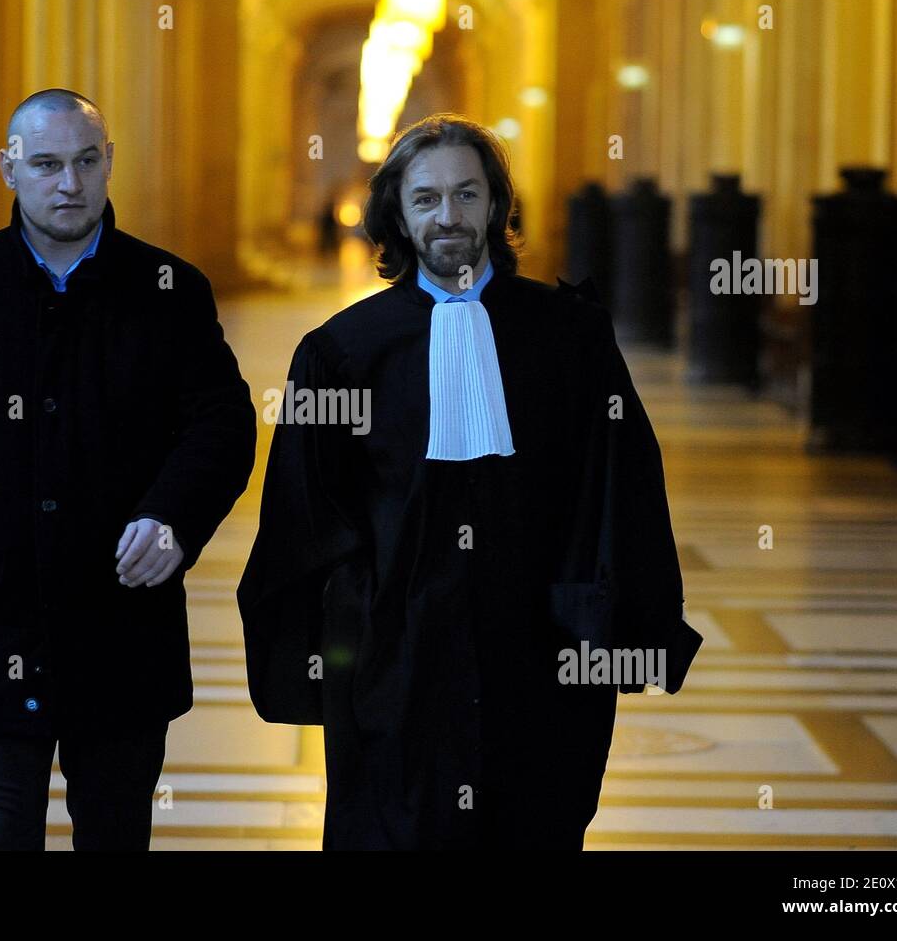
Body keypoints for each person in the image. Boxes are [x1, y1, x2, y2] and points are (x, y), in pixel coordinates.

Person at [236, 113, 702, 850]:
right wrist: (323, 662)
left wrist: (626, 629)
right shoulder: (341, 353)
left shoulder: (570, 337)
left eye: (466, 194)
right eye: (425, 199)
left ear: (495, 205)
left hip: (539, 653)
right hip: (396, 660)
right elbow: (303, 519)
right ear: (396, 212)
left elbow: (623, 490)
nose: (447, 216)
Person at [0, 88, 256, 850]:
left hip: (123, 623)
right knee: (2, 832)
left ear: (108, 163)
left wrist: (172, 516)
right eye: (46, 164)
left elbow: (223, 425)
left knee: (115, 835)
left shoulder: (168, 290)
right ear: (9, 168)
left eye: (85, 162)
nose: (69, 184)